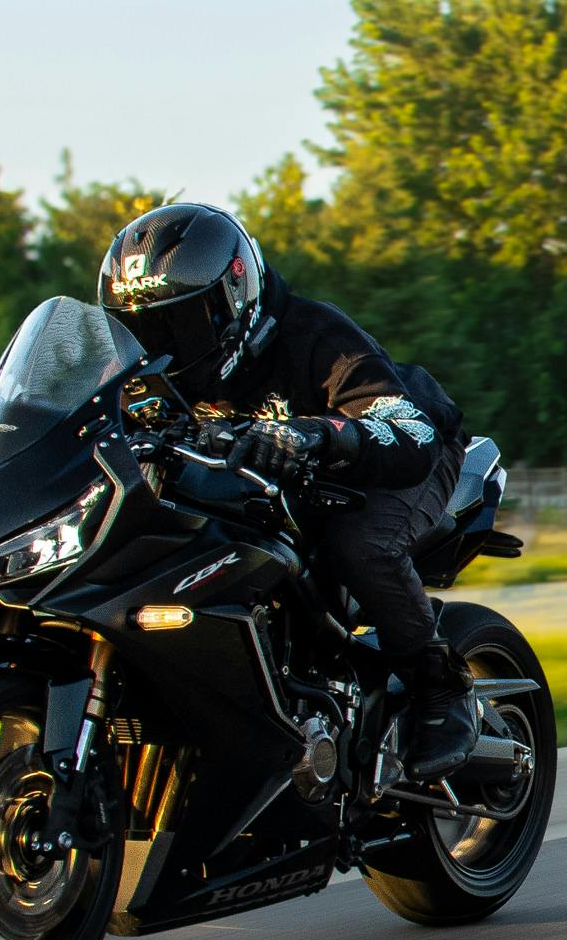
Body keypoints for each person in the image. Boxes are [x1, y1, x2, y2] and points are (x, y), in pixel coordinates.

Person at [94, 203, 477, 770]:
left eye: (181, 324)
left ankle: (440, 689)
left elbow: (409, 431)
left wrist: (319, 434)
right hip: (270, 480)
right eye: (141, 329)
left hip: (400, 457)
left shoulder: (314, 336)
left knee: (359, 546)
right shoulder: (139, 372)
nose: (160, 346)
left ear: (235, 296)